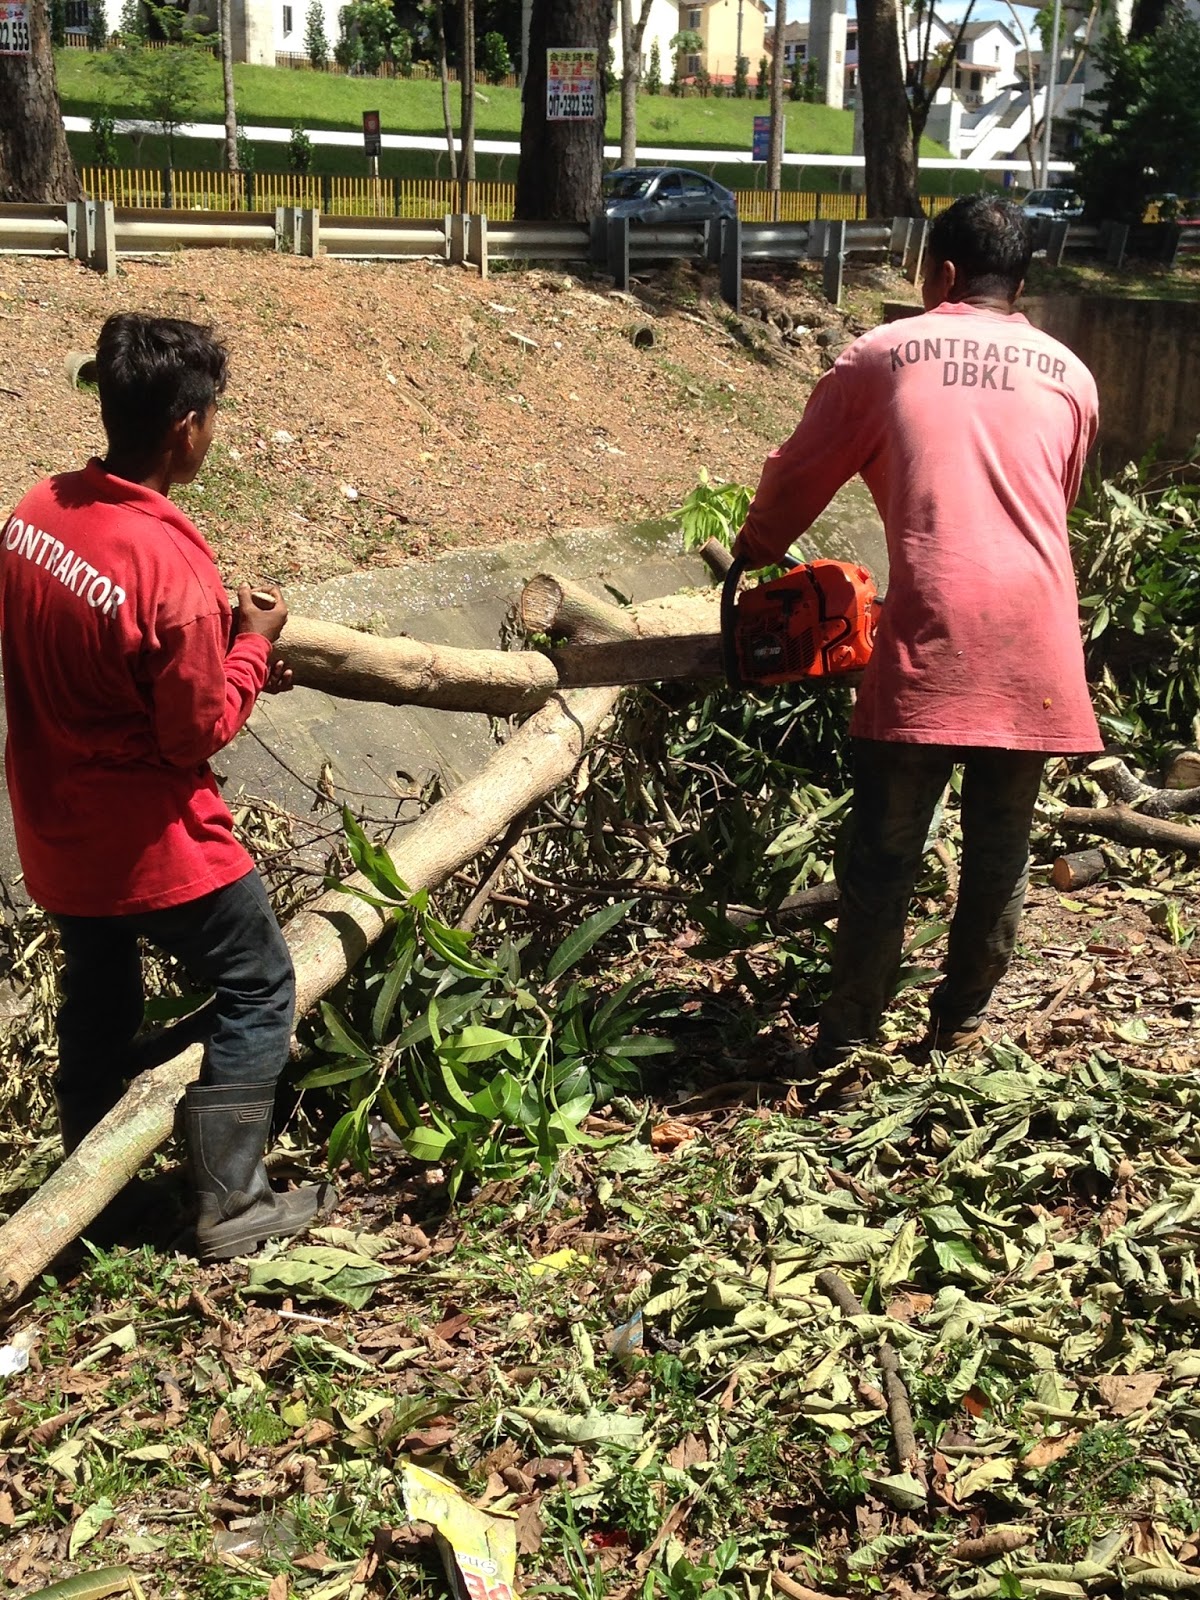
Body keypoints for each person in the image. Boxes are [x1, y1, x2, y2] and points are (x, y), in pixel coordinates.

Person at [732, 195, 1102, 1070]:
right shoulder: (1071, 375)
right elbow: (1058, 499)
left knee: (886, 848)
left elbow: (798, 476)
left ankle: (852, 1038)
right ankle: (960, 1025)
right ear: (1021, 281)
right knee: (1001, 848)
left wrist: (750, 555)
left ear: (939, 274)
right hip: (1038, 637)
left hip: (932, 629)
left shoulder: (882, 355)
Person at [0, 312, 333, 1260]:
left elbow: (86, 651)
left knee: (98, 997)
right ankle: (230, 1204)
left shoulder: (35, 515)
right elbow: (197, 731)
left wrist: (225, 652)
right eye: (215, 414)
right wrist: (253, 648)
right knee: (260, 982)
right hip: (149, 840)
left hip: (54, 828)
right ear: (187, 426)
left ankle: (91, 1196)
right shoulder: (171, 566)